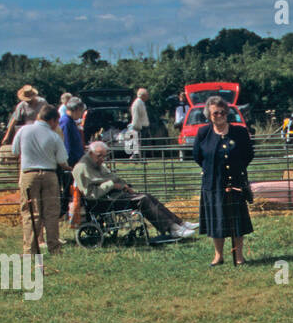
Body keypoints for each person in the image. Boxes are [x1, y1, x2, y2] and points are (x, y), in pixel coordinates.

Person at [74, 141, 196, 238]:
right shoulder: (82, 168)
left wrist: (124, 185)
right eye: (99, 156)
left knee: (146, 196)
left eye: (104, 156)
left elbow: (111, 178)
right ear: (90, 153)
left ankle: (179, 224)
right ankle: (172, 229)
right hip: (102, 202)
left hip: (112, 196)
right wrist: (112, 185)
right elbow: (91, 195)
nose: (102, 159)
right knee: (142, 200)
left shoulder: (97, 165)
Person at [193, 96, 255, 266]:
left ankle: (239, 256)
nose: (219, 116)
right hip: (213, 184)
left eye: (222, 112)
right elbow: (197, 156)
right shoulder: (203, 133)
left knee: (237, 220)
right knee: (217, 220)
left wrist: (237, 168)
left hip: (235, 183)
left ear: (227, 113)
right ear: (209, 115)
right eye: (215, 113)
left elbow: (248, 154)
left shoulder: (240, 132)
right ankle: (218, 255)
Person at [10, 103, 69, 255]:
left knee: (31, 213)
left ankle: (30, 250)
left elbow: (15, 151)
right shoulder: (54, 136)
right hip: (50, 175)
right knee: (51, 213)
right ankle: (54, 248)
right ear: (53, 120)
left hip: (29, 174)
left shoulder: (24, 130)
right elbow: (62, 160)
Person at [59, 97, 86, 218]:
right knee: (68, 188)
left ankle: (67, 212)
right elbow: (67, 145)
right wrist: (70, 164)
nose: (81, 115)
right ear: (77, 109)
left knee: (72, 188)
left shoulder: (70, 122)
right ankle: (63, 212)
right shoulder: (65, 122)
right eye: (81, 112)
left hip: (75, 161)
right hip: (71, 162)